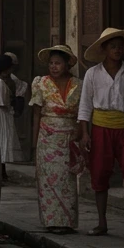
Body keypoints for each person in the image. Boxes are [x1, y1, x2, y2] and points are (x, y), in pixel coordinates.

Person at [76, 27, 124, 237]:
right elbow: (85, 105)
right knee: (99, 173)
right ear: (104, 49)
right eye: (112, 47)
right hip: (100, 128)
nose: (117, 50)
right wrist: (85, 132)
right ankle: (102, 222)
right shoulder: (92, 73)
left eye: (120, 47)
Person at [30, 44, 83, 233]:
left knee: (67, 180)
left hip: (69, 136)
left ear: (67, 64)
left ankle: (67, 221)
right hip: (47, 137)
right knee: (48, 180)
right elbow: (36, 114)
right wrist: (35, 142)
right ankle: (52, 221)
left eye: (58, 63)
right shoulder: (40, 83)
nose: (54, 67)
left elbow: (83, 113)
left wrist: (81, 131)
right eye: (51, 63)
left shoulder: (78, 84)